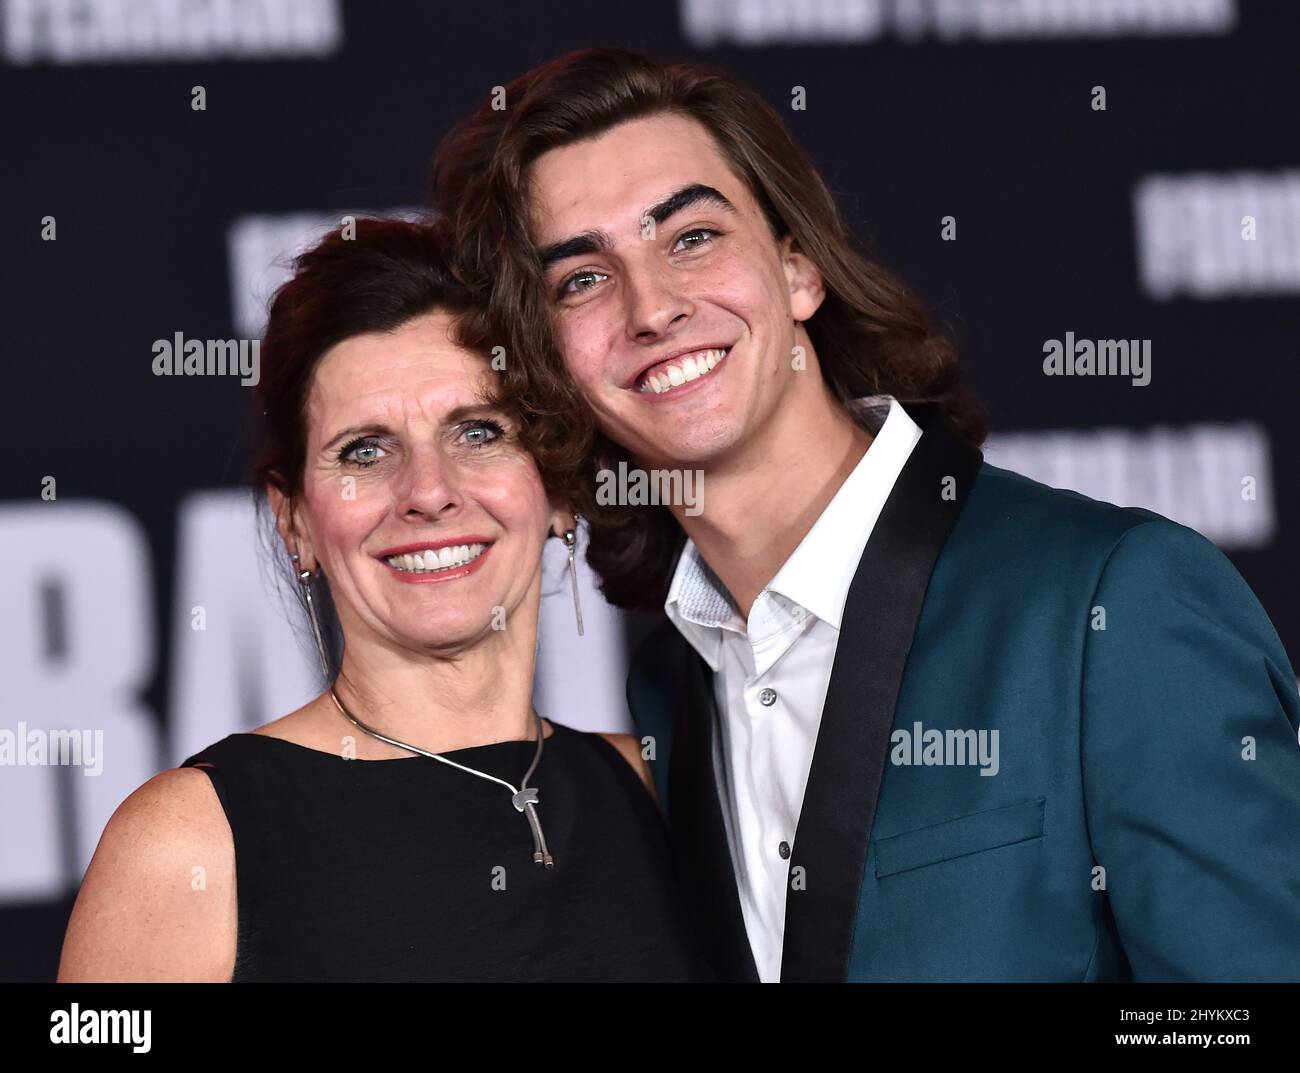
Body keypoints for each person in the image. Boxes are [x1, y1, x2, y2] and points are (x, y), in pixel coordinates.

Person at [429, 47, 1300, 982]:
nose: (652, 308)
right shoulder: (670, 689)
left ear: (800, 270)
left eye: (691, 237)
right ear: (551, 361)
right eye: (583, 280)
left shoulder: (1112, 600)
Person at [57, 216, 709, 982]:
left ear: (560, 487)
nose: (427, 493)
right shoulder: (191, 844)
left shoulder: (659, 790)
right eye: (365, 452)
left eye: (478, 432)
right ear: (293, 518)